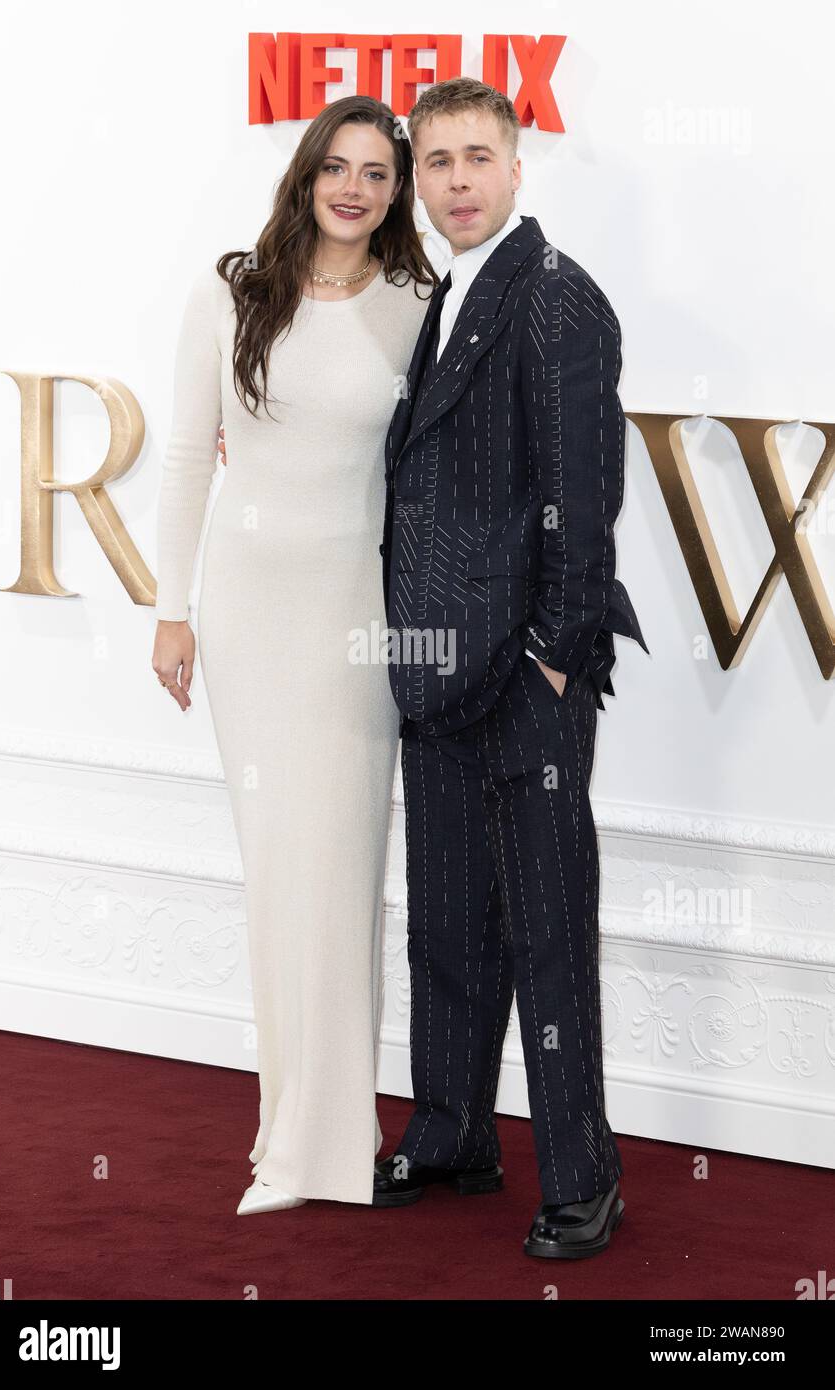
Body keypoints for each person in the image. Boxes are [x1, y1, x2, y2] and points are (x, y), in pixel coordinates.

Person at [372, 77, 649, 1259]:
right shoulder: (439, 297)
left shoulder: (555, 299)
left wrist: (550, 657)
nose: (457, 183)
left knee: (545, 930)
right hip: (433, 664)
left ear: (518, 164)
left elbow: (585, 506)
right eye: (435, 164)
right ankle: (452, 1132)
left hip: (524, 673)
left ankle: (582, 1174)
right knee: (443, 919)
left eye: (476, 158)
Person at [152, 95, 436, 1214]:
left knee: (341, 873)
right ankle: (292, 1134)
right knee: (279, 872)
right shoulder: (231, 292)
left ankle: (325, 1141)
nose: (355, 188)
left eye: (377, 172)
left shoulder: (416, 302)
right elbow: (185, 456)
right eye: (337, 166)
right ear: (305, 174)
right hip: (245, 616)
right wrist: (172, 608)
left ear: (395, 190)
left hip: (354, 622)